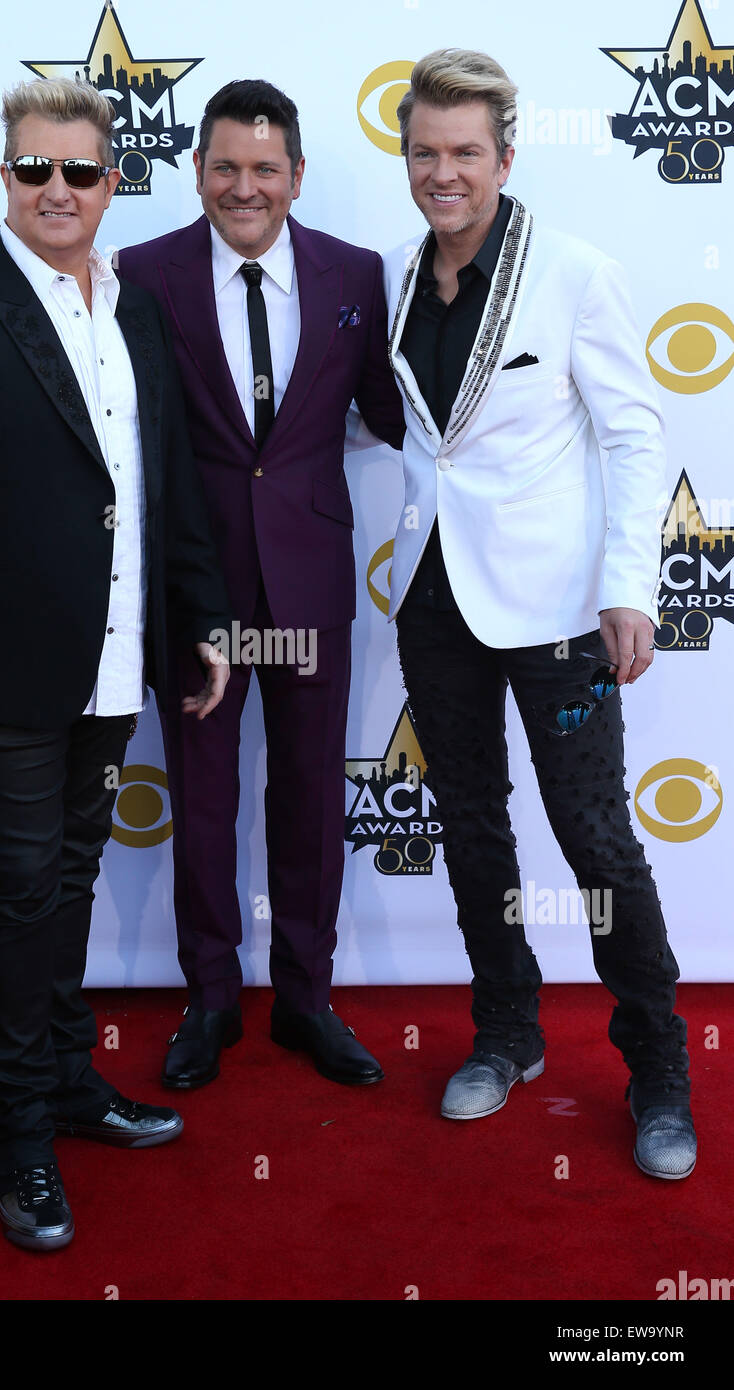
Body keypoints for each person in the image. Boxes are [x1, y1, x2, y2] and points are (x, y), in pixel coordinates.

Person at [0, 78, 232, 1251]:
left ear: (114, 181)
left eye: (79, 171)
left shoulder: (141, 312)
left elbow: (163, 482)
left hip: (115, 663)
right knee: (21, 897)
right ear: (4, 176)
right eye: (33, 169)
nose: (56, 190)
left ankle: (67, 1081)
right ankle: (19, 1136)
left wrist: (199, 621)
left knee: (66, 883)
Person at [384, 49, 695, 1179]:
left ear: (506, 156)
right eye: (426, 151)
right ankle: (507, 1033)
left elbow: (633, 431)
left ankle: (658, 1066)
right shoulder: (392, 279)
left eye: (466, 150)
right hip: (435, 599)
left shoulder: (571, 270)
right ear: (408, 158)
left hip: (562, 607)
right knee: (472, 826)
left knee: (597, 841)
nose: (444, 171)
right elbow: (409, 429)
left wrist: (629, 584)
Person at [118, 80, 405, 1089]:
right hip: (197, 589)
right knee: (201, 795)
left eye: (265, 169)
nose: (246, 188)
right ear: (197, 170)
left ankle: (306, 998)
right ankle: (208, 999)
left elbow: (388, 412)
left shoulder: (357, 275)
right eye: (227, 167)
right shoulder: (139, 274)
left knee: (312, 791)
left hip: (313, 580)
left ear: (295, 176)